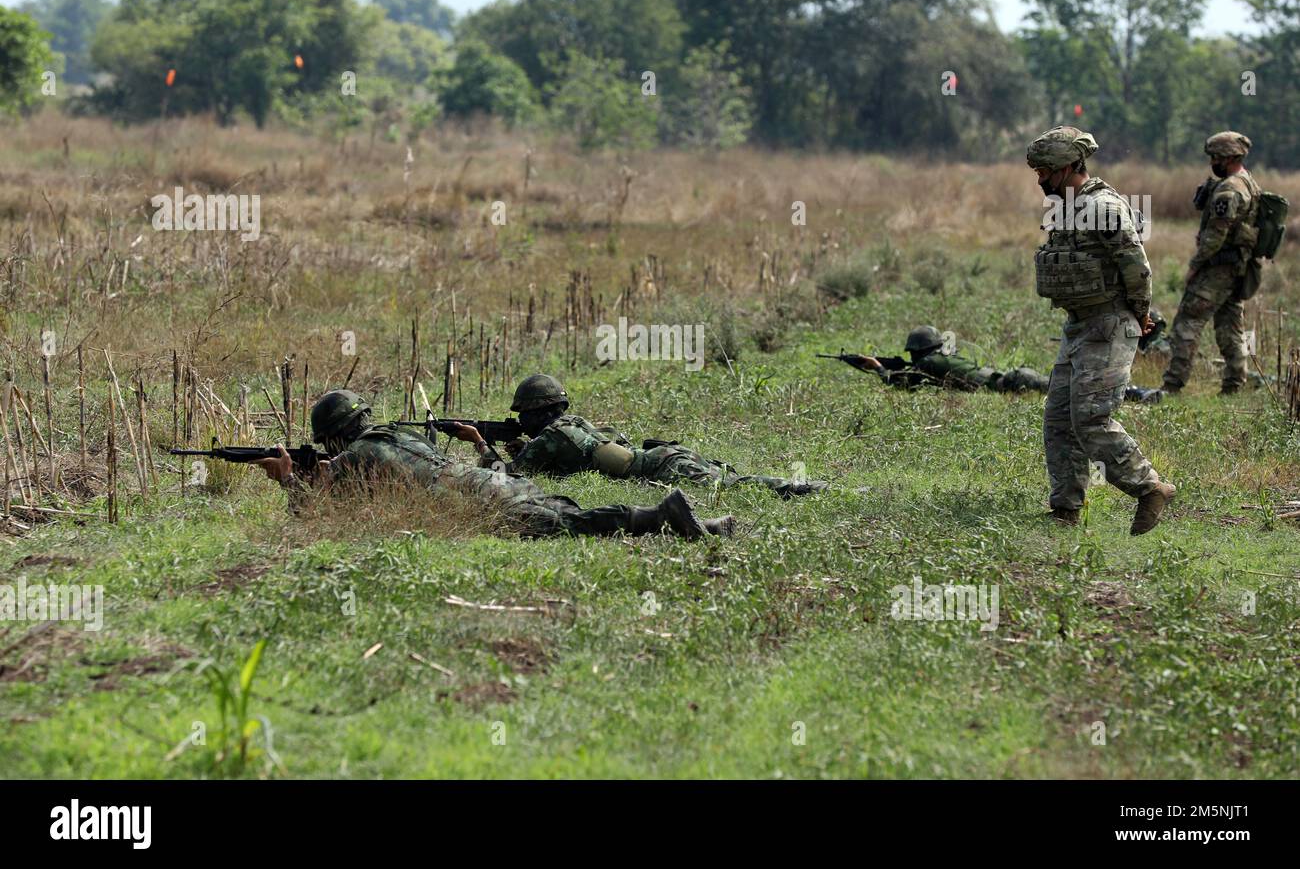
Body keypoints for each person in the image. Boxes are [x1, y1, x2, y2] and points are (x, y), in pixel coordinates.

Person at [253, 390, 734, 540]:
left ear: (333, 437)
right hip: (488, 479)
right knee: (563, 510)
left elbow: (314, 518)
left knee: (566, 526)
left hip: (477, 500)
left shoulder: (356, 458)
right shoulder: (397, 433)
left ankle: (661, 515)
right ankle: (701, 526)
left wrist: (289, 481)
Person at [1026, 126, 1176, 535]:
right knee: (1059, 420)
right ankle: (1066, 509)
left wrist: (1141, 315)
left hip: (1109, 325)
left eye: (1047, 170)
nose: (1040, 179)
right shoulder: (1066, 208)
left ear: (1071, 166)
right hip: (1078, 326)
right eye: (1037, 170)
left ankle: (1150, 488)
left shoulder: (1104, 206)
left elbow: (1136, 267)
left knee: (1092, 417)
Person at [493, 374, 827, 499]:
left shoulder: (551, 434)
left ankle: (810, 489)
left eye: (524, 415)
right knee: (735, 481)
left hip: (663, 467)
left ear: (536, 414)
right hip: (666, 457)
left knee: (735, 486)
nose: (521, 420)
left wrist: (480, 444)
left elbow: (509, 477)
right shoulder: (574, 423)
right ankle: (804, 487)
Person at [1161, 131, 1263, 395]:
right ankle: (1233, 385)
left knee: (1188, 321)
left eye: (1215, 157)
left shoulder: (1230, 190)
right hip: (1235, 268)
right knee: (1230, 326)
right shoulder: (1249, 182)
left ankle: (1172, 385)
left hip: (1217, 268)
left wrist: (1195, 265)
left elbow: (1216, 234)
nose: (1212, 163)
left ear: (1228, 158)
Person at [844, 325, 1164, 403]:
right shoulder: (937, 359)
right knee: (1074, 389)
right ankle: (1136, 393)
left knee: (1077, 392)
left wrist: (876, 366)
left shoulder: (928, 362)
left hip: (1012, 382)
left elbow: (902, 382)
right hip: (1012, 378)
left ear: (917, 351)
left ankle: (1136, 394)